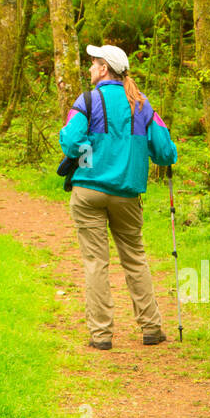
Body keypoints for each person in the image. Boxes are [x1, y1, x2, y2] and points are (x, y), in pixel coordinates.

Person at [58, 44, 177, 350]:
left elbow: (71, 141)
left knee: (96, 262)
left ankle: (101, 336)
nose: (90, 69)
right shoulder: (142, 105)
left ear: (104, 69)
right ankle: (151, 329)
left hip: (88, 193)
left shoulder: (87, 101)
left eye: (93, 63)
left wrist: (89, 161)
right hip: (127, 196)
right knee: (135, 259)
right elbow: (165, 152)